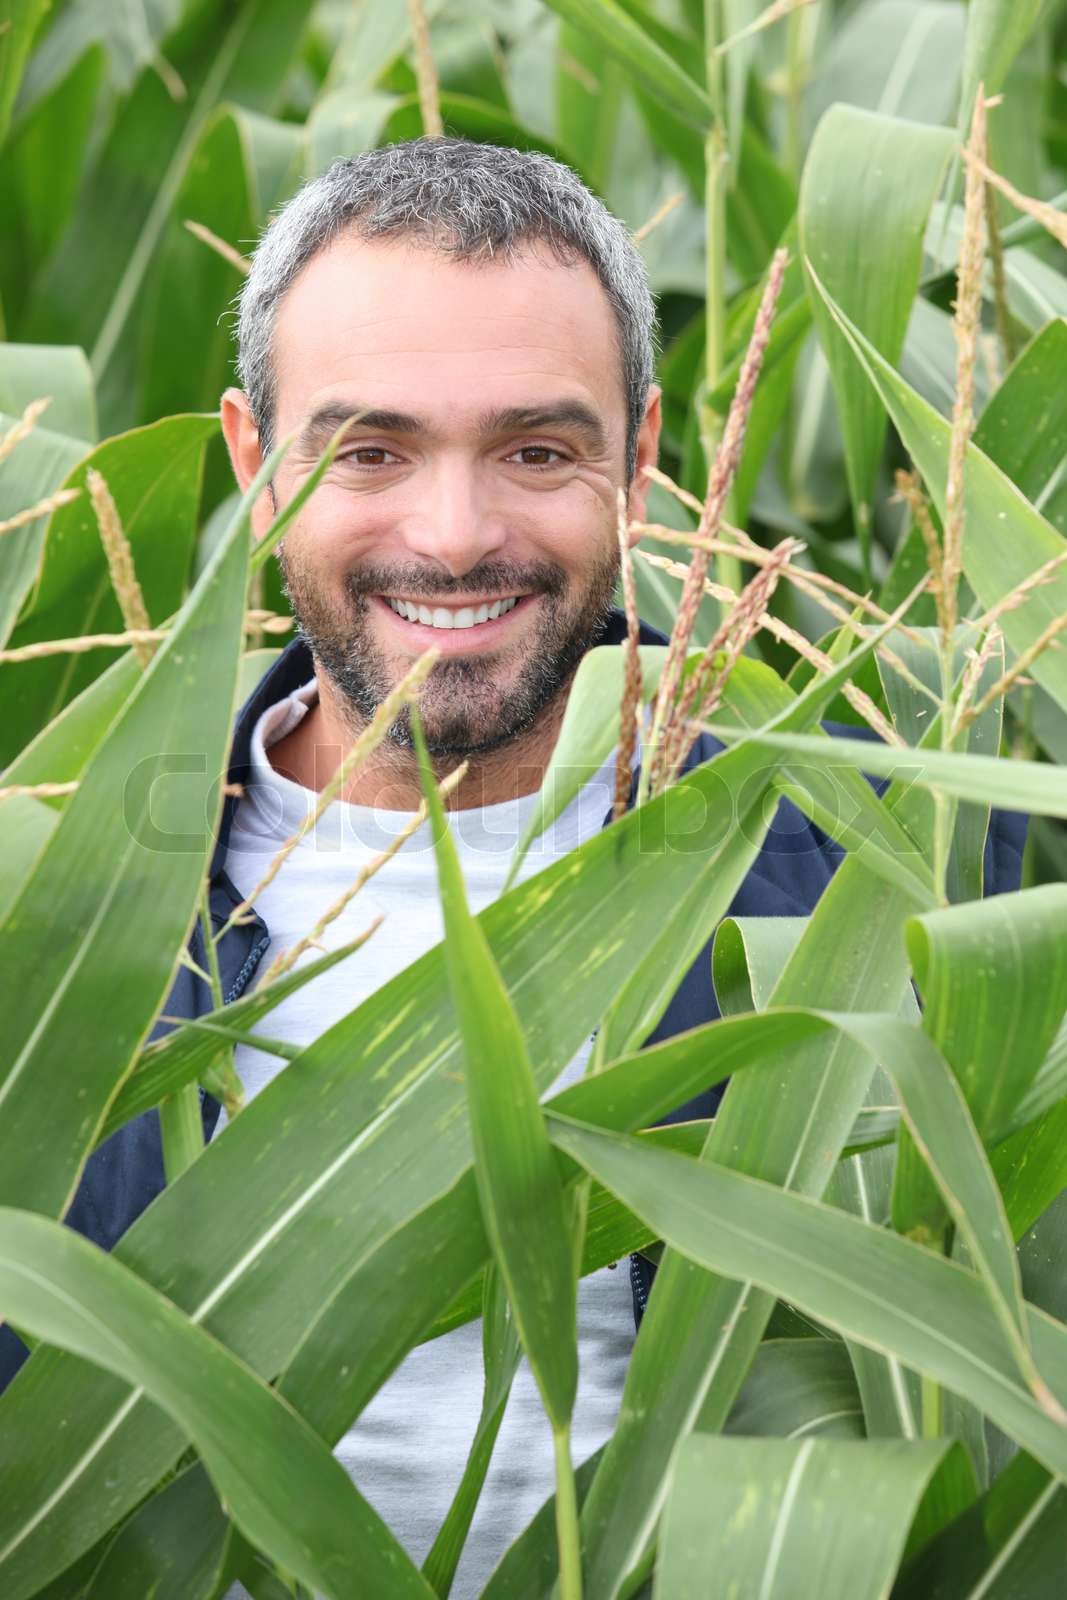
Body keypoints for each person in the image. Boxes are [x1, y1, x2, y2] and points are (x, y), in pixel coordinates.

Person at [0, 139, 1025, 1595]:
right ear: (250, 460)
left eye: (539, 451)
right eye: (370, 451)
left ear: (647, 455)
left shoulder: (876, 868)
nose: (456, 534)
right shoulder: (63, 907)